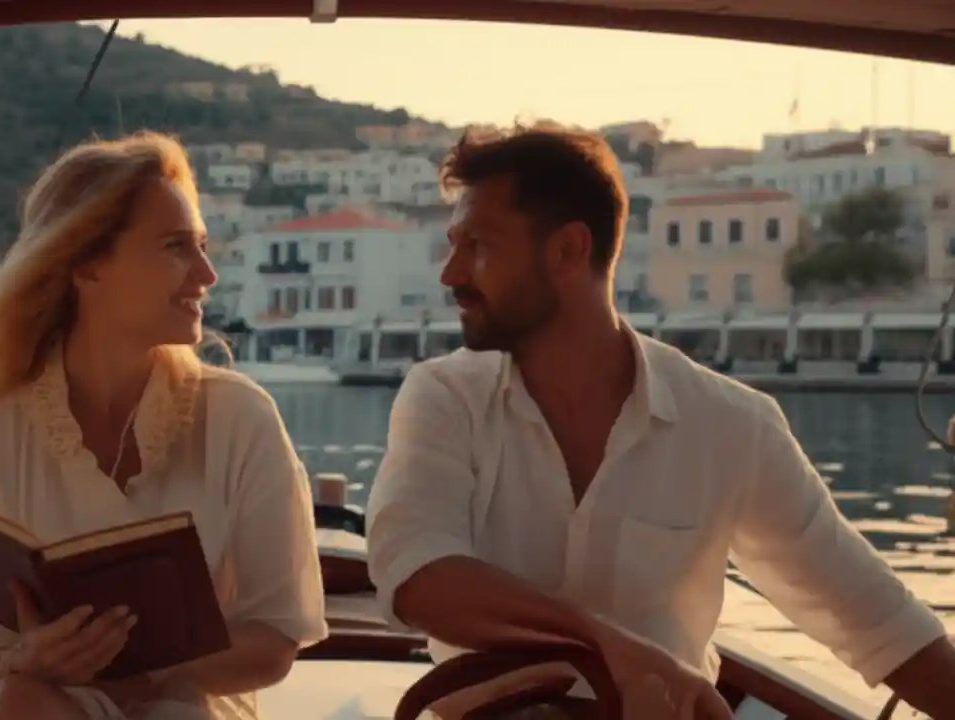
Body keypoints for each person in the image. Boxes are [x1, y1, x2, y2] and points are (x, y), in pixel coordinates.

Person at [365, 123, 955, 719]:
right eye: (453, 245)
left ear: (568, 250)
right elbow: (417, 576)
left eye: (478, 246)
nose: (451, 275)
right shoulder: (444, 396)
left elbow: (881, 623)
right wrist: (613, 645)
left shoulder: (732, 426)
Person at [0, 131, 328, 720]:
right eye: (176, 247)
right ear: (87, 263)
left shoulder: (240, 419)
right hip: (38, 709)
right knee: (21, 700)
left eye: (202, 246)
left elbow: (274, 645)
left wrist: (146, 667)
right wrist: (28, 661)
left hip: (189, 711)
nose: (207, 274)